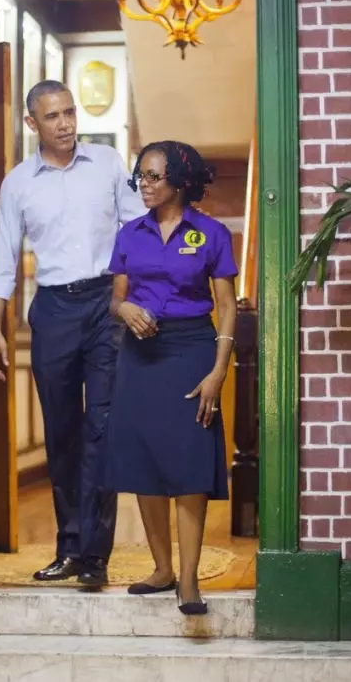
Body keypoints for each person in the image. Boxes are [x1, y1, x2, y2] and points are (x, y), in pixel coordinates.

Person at [0, 80, 146, 587]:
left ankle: (94, 558)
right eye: (53, 117)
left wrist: (126, 299)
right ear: (32, 123)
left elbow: (136, 229)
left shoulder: (108, 162)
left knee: (100, 428)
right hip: (52, 309)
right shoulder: (18, 183)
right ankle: (69, 546)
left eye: (70, 113)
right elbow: (4, 257)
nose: (66, 124)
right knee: (62, 434)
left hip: (104, 304)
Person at [106, 141, 238, 615]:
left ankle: (188, 581)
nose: (144, 184)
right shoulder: (130, 234)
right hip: (140, 356)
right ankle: (161, 568)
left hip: (191, 352)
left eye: (154, 176)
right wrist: (126, 309)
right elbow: (115, 298)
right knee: (144, 459)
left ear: (179, 181)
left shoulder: (212, 234)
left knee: (187, 465)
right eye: (140, 176)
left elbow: (225, 307)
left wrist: (218, 372)